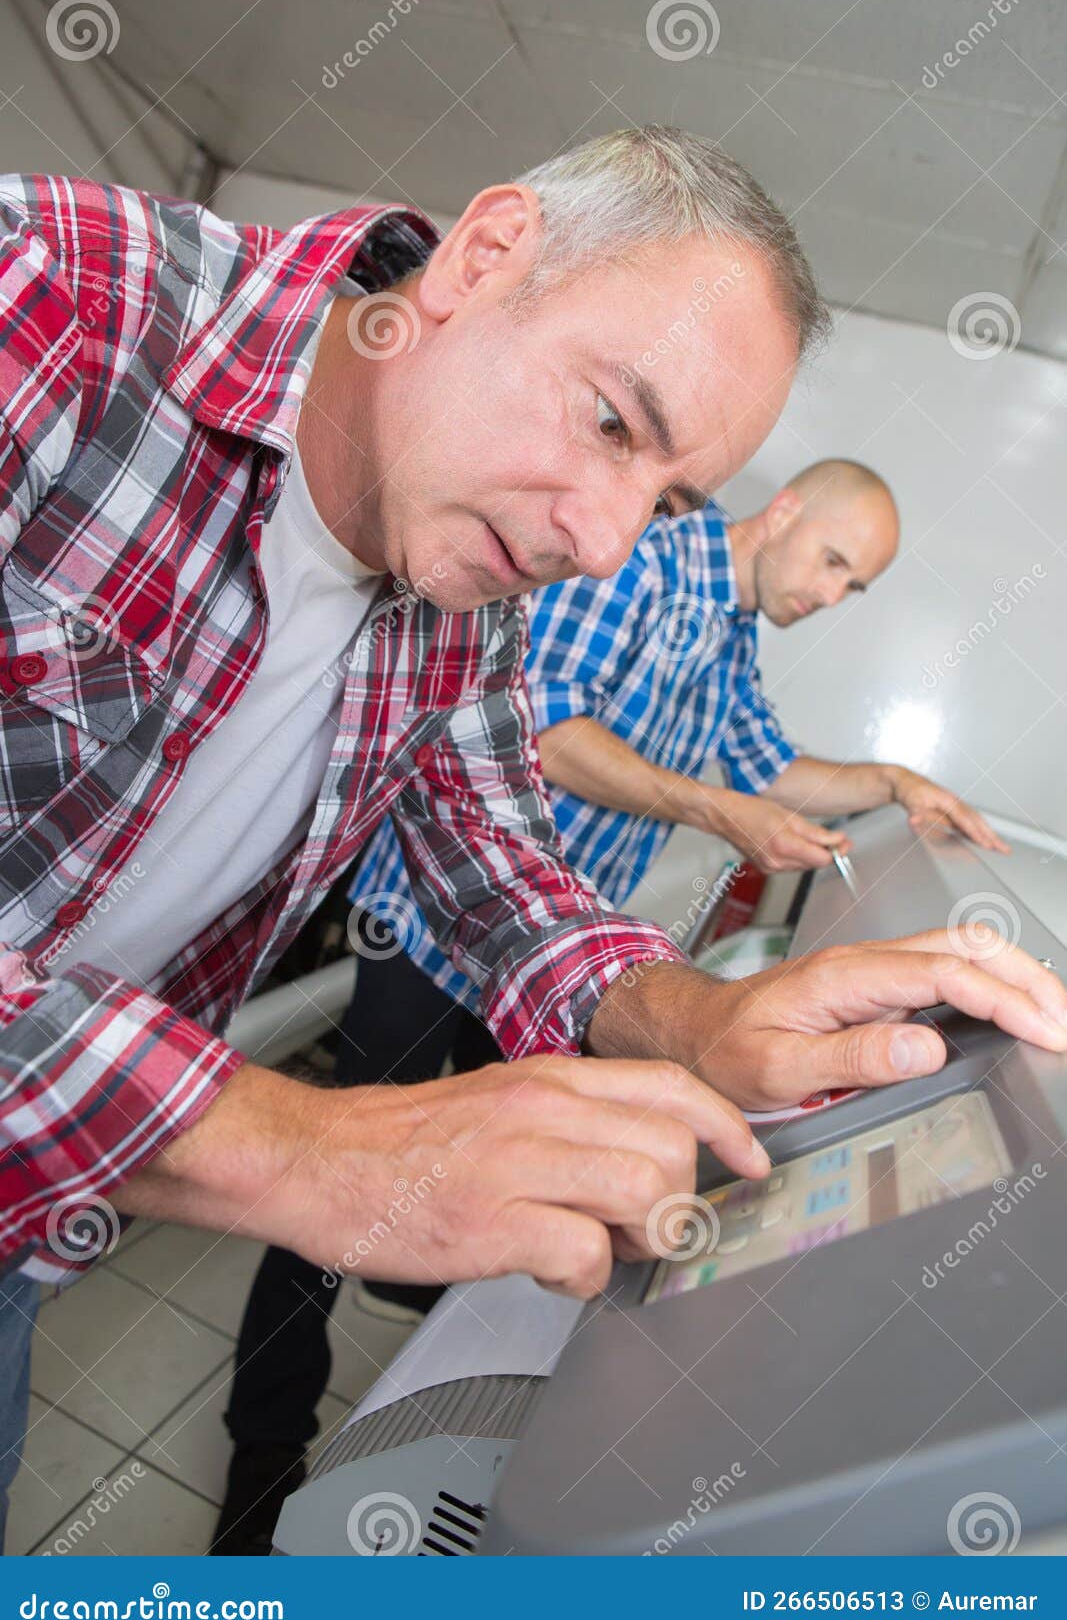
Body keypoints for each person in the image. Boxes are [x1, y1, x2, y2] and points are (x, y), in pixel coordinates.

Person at [3, 131, 1063, 1559]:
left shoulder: (463, 572)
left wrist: (698, 1018)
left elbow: (497, 861)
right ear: (484, 255)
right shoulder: (52, 302)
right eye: (612, 422)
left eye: (662, 493)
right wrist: (297, 1145)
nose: (603, 541)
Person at [218, 467, 1014, 1550]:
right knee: (347, 1179)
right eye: (833, 562)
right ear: (782, 513)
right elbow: (546, 733)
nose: (830, 594)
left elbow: (770, 764)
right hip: (441, 919)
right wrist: (716, 811)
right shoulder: (639, 560)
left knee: (487, 1157)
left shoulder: (730, 634)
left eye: (854, 587)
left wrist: (890, 781)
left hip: (550, 963)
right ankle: (263, 1457)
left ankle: (409, 1320)